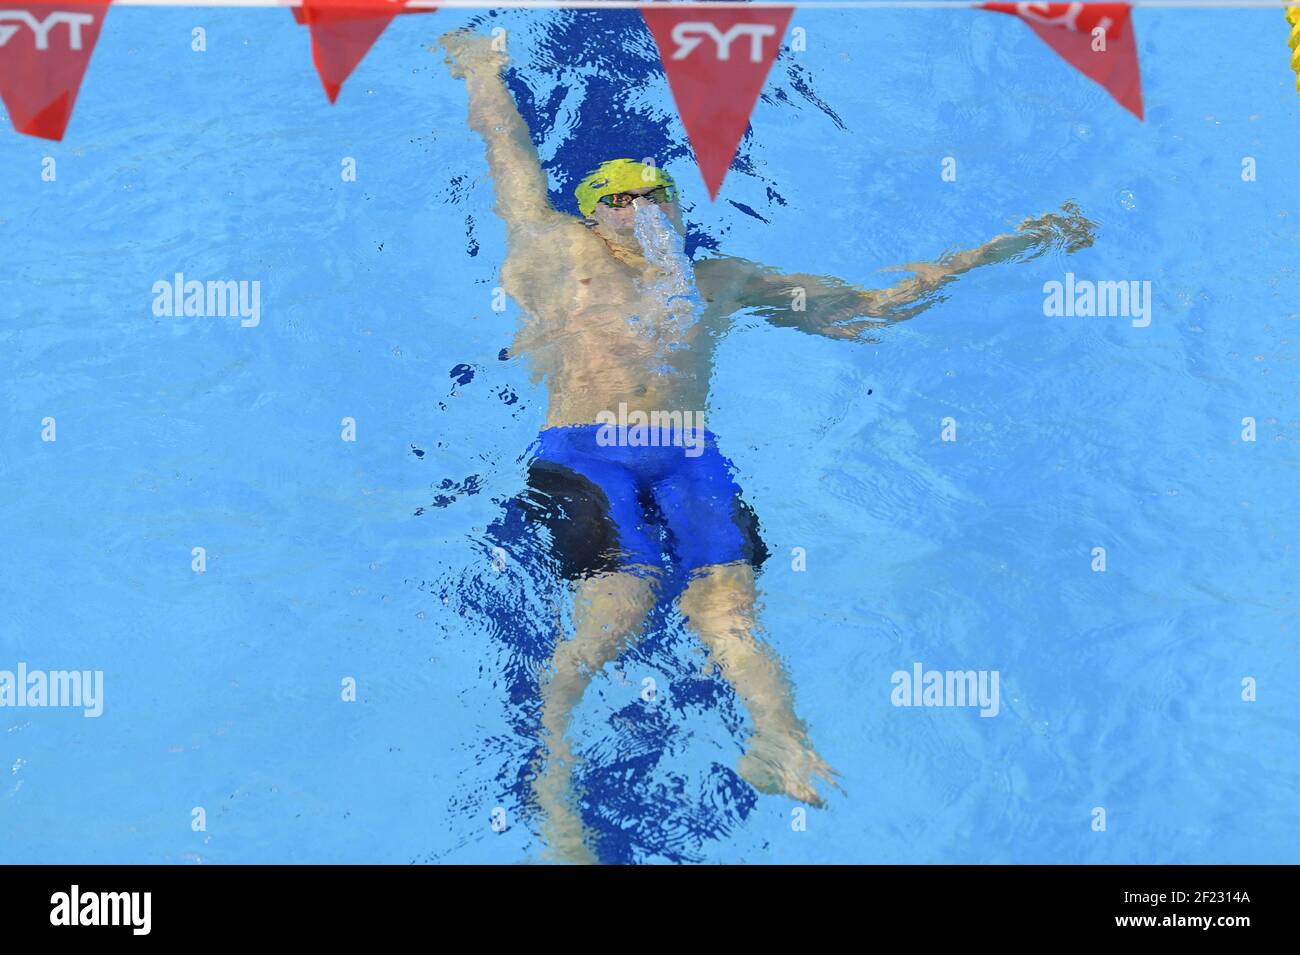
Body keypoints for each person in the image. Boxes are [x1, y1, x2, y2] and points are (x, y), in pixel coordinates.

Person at [439, 29, 1096, 863]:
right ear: (592, 210)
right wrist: (482, 74)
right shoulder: (553, 251)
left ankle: (777, 740)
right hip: (587, 450)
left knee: (729, 608)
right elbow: (511, 161)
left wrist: (1008, 245)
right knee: (619, 607)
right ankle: (555, 796)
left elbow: (869, 306)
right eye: (622, 196)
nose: (645, 206)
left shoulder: (722, 281)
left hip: (688, 453)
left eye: (660, 193)